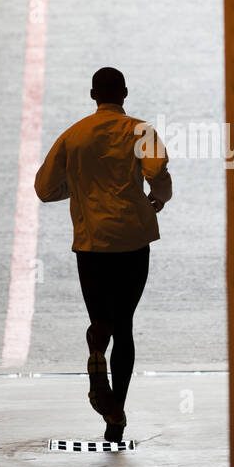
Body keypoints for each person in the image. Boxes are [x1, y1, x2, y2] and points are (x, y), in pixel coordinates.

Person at [34, 67, 172, 442]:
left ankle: (97, 349)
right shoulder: (141, 130)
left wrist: (78, 189)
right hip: (132, 240)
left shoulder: (73, 136)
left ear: (92, 94)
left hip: (91, 244)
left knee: (103, 320)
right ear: (124, 93)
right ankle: (116, 418)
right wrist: (159, 197)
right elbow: (157, 172)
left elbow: (44, 189)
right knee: (124, 324)